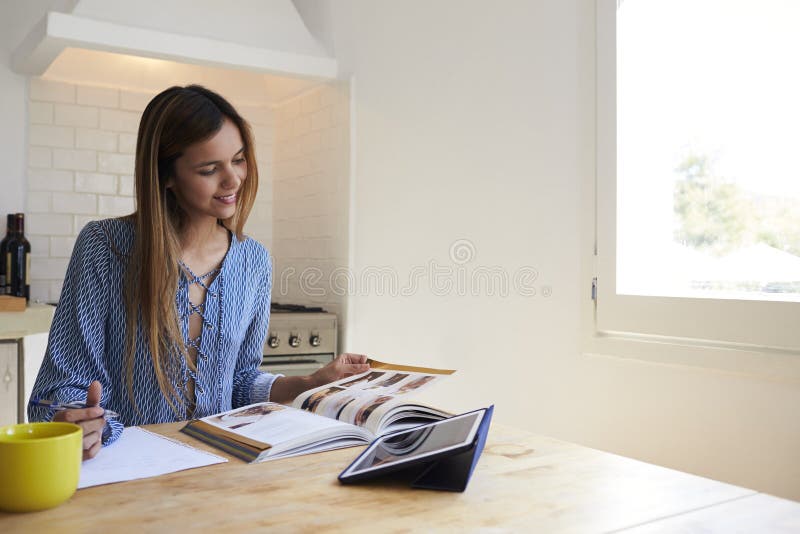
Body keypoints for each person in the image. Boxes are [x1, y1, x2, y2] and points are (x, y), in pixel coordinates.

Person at [28, 85, 369, 460]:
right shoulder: (105, 247)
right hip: (124, 471)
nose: (234, 180)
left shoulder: (253, 260)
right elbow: (60, 389)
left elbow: (239, 382)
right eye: (210, 169)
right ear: (166, 175)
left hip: (220, 472)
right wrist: (76, 420)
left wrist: (310, 383)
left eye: (238, 160)